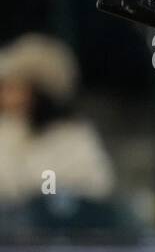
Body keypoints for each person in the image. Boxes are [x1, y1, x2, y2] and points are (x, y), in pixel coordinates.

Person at [0, 34, 115, 228]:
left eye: (15, 87)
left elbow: (96, 188)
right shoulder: (6, 131)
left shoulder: (73, 138)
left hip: (61, 241)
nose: (5, 95)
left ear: (40, 91)